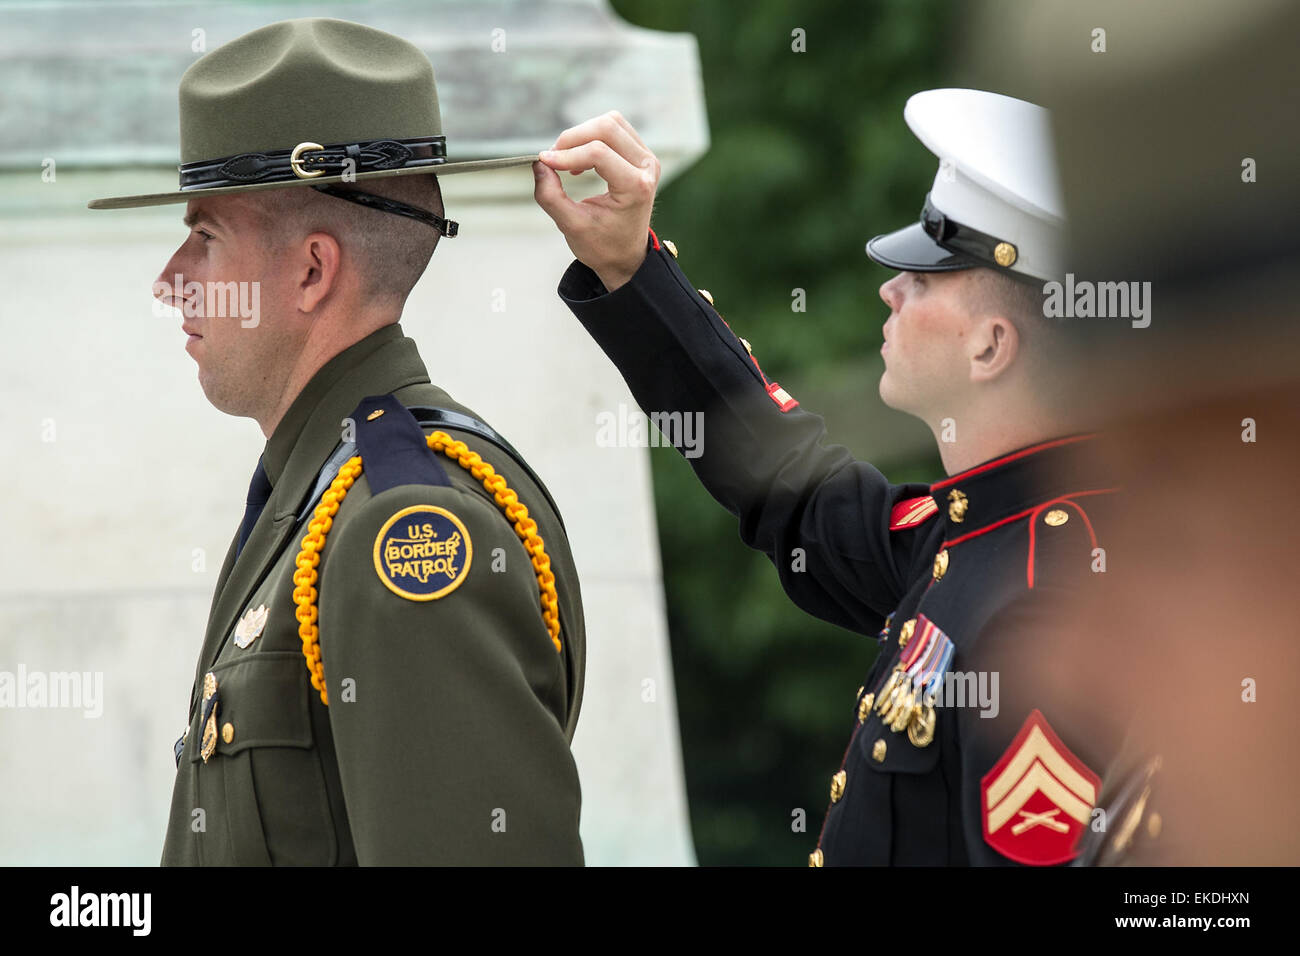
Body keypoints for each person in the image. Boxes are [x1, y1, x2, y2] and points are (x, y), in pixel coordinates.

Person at [534, 93, 1127, 865]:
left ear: (990, 346)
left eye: (924, 276)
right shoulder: (982, 536)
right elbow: (793, 488)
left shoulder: (1046, 605)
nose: (891, 289)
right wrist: (630, 265)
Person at [88, 17, 586, 865]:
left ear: (313, 272)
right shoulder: (315, 494)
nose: (170, 281)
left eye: (205, 238)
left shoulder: (408, 527)